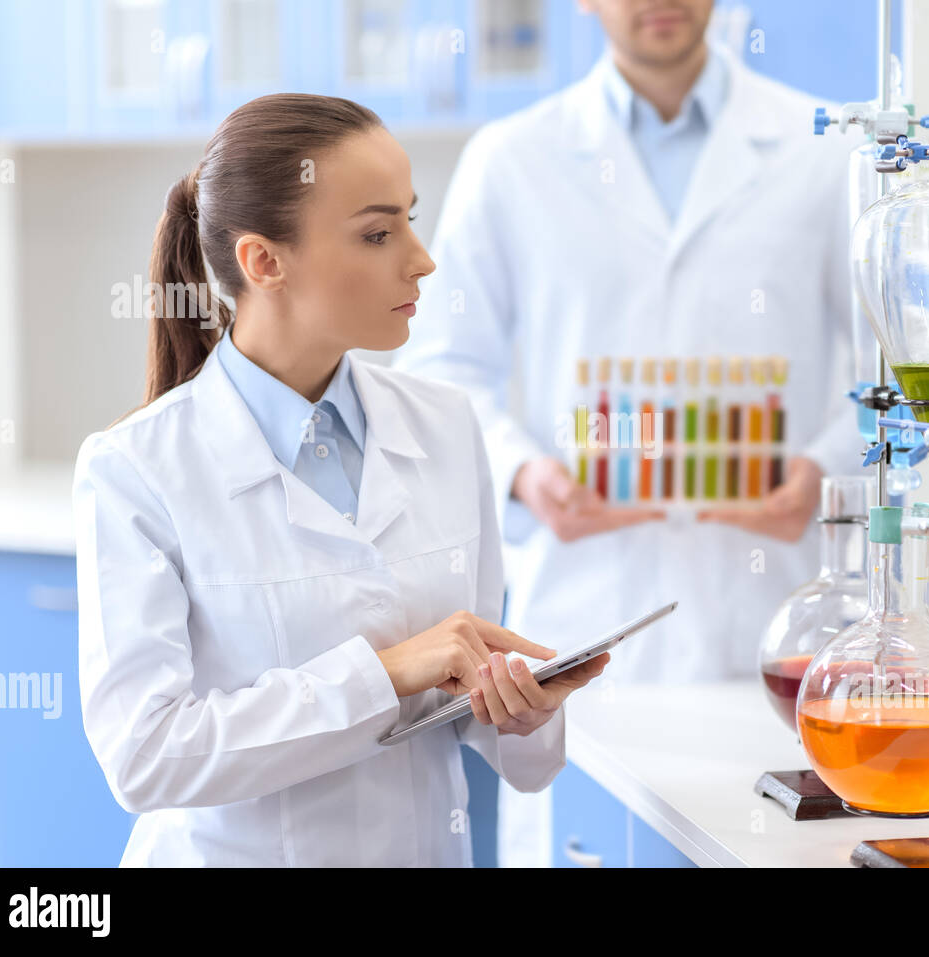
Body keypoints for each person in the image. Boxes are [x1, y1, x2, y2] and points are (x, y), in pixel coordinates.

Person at [73, 93, 608, 867]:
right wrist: (386, 672)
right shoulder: (136, 469)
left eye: (411, 221)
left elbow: (481, 716)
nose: (421, 258)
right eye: (378, 233)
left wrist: (519, 710)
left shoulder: (448, 426)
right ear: (264, 261)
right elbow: (146, 755)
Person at [394, 0, 864, 866]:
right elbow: (442, 366)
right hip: (582, 619)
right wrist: (528, 473)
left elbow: (887, 370)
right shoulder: (513, 159)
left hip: (771, 624)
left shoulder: (826, 148)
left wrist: (825, 477)